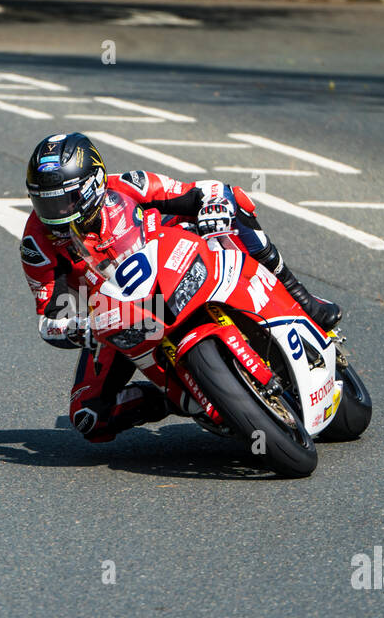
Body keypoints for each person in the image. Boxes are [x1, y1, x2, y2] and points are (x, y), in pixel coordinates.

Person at [21, 132, 341, 443]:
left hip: (176, 259)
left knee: (236, 203)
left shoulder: (130, 185)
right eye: (45, 203)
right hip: (119, 316)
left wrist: (213, 208)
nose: (56, 213)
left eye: (66, 201)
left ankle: (303, 299)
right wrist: (78, 328)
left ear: (93, 186)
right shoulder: (37, 243)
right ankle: (172, 399)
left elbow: (204, 191)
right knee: (87, 417)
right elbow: (50, 316)